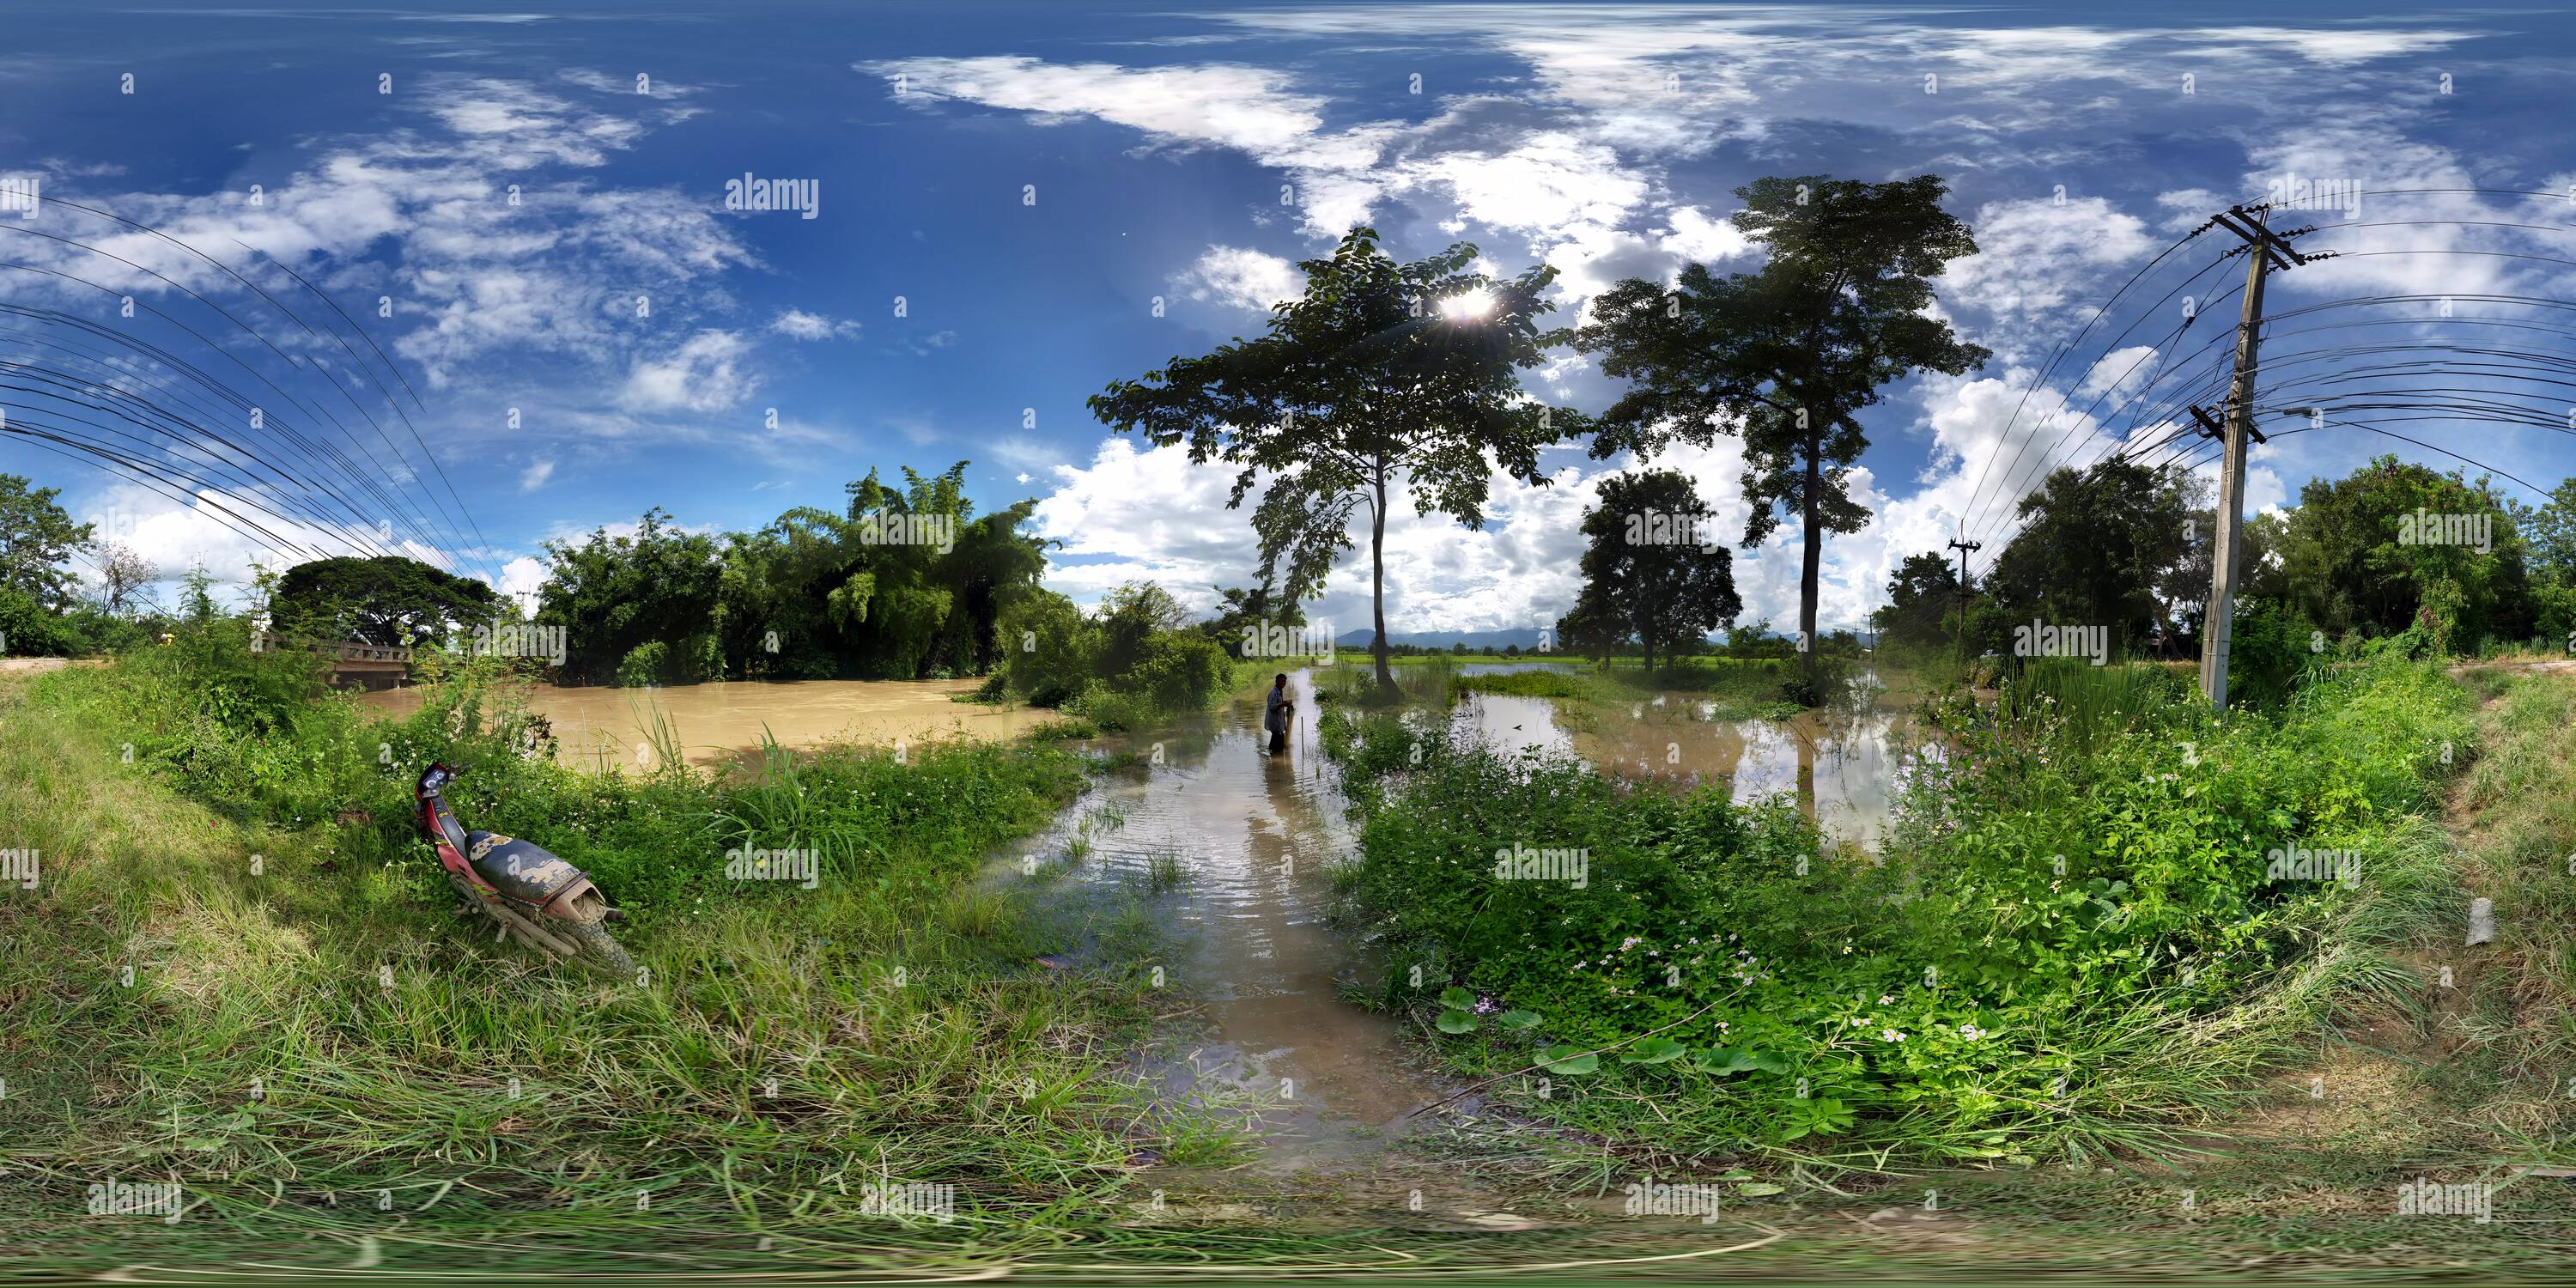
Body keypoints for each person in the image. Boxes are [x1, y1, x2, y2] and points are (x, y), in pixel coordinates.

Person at [1264, 672, 1292, 755]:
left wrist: (1284, 702)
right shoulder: (1273, 693)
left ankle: (1272, 758)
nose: (1283, 683)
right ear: (1276, 681)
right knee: (1278, 746)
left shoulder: (1279, 691)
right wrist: (1284, 704)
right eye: (1281, 681)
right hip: (1275, 723)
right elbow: (1272, 707)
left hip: (1278, 722)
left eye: (1284, 682)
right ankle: (1275, 761)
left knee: (1275, 743)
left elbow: (1277, 703)